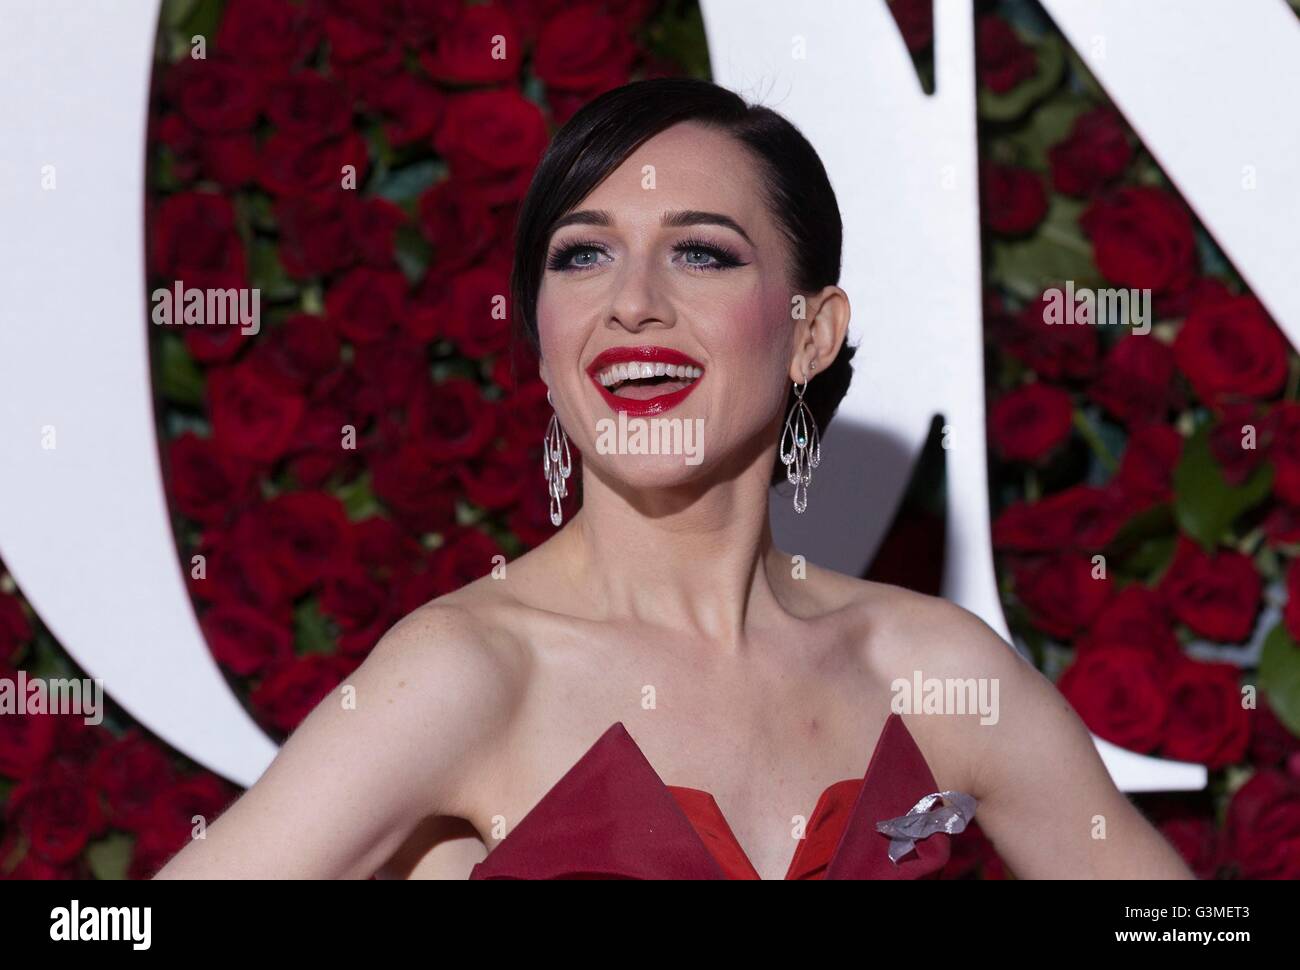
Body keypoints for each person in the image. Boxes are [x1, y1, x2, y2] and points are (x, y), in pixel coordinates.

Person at [154, 77, 1194, 880]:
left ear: (809, 334)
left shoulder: (929, 668)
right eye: (580, 256)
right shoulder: (468, 672)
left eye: (700, 253)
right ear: (542, 340)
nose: (633, 302)